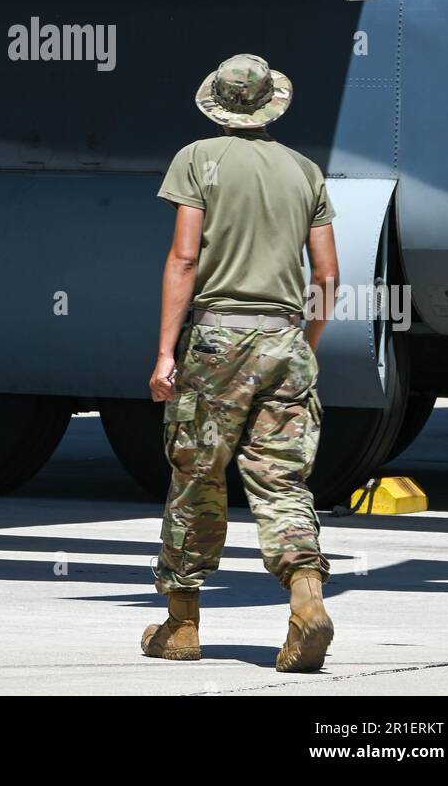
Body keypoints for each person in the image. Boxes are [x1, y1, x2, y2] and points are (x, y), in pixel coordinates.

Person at [141, 53, 339, 672]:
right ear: (270, 104)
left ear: (218, 105)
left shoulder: (197, 159)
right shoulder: (305, 171)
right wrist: (304, 342)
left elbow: (182, 258)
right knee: (282, 480)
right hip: (284, 340)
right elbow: (328, 275)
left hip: (217, 344)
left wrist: (166, 352)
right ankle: (307, 599)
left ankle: (181, 625)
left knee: (197, 478)